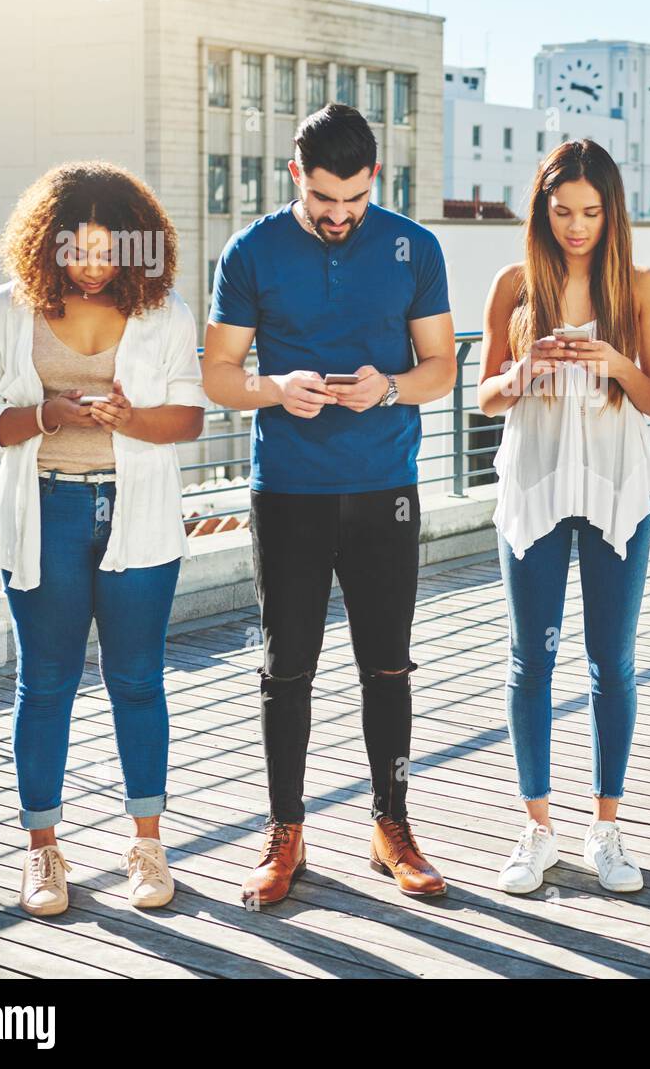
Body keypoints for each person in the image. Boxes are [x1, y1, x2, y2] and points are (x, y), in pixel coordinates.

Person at [203, 103, 456, 906]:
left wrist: (389, 387)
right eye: (323, 200)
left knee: (388, 666)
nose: (339, 215)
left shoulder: (417, 247)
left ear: (374, 178)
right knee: (287, 671)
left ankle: (393, 824)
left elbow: (442, 367)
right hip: (288, 492)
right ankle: (287, 830)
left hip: (387, 487)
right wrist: (274, 388)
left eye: (353, 199)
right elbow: (217, 376)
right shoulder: (251, 252)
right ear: (294, 177)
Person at [0, 161, 208, 916]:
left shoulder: (166, 313)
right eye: (78, 250)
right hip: (45, 511)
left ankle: (148, 845)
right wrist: (47, 414)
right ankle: (43, 853)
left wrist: (132, 419)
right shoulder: (7, 309)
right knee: (46, 684)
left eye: (109, 251)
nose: (93, 266)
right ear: (48, 242)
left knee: (137, 681)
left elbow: (190, 418)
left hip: (139, 513)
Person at [478, 139, 650, 896]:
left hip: (619, 486)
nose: (577, 225)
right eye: (562, 211)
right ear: (542, 209)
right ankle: (537, 828)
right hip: (535, 484)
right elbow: (483, 396)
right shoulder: (514, 283)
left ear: (611, 211)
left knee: (610, 660)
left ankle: (607, 827)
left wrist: (612, 361)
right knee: (531, 658)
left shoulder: (642, 286)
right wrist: (526, 372)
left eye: (591, 211)